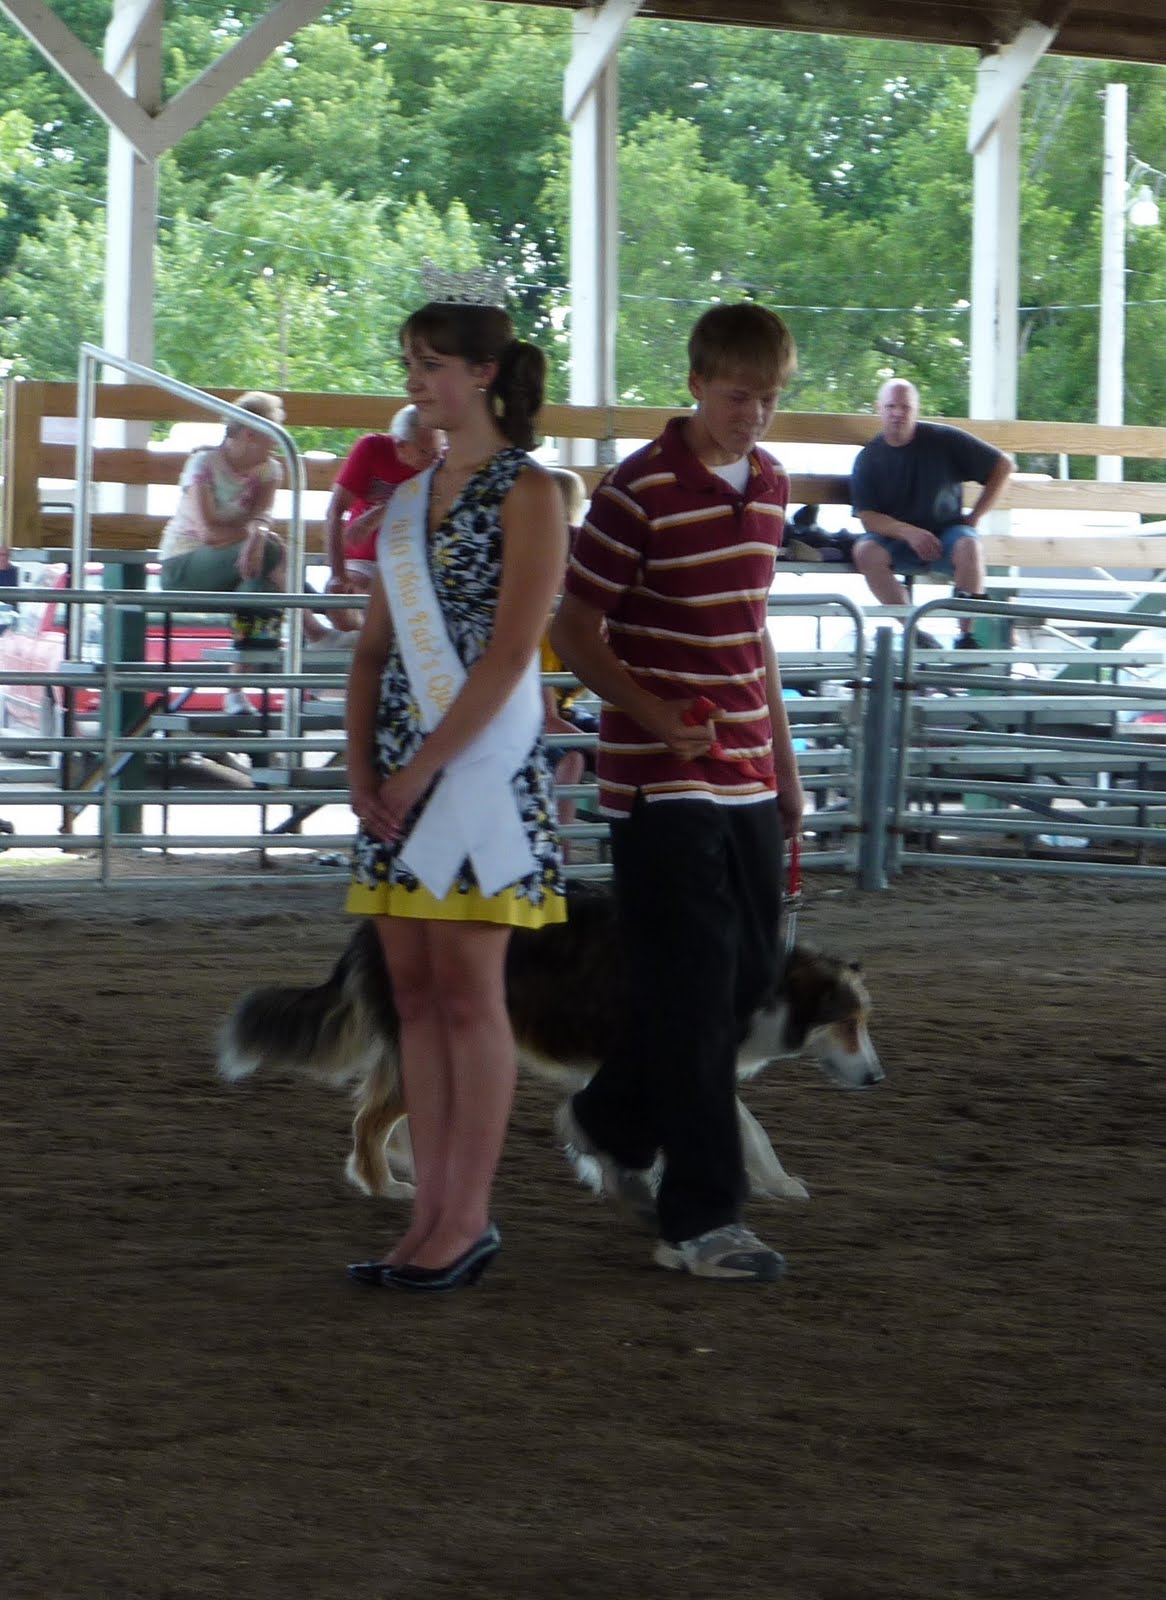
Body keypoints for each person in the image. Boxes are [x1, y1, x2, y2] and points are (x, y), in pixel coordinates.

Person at [549, 302, 804, 1285]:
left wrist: (783, 766)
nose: (753, 416)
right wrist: (653, 715)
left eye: (769, 399)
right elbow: (574, 632)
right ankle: (701, 1217)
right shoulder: (632, 492)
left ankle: (611, 1112)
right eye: (738, 396)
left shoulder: (772, 485)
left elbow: (752, 632)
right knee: (699, 988)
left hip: (742, 764)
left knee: (745, 978)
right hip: (657, 777)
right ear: (696, 382)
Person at [344, 300, 568, 1293]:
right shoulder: (404, 501)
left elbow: (514, 652)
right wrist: (359, 768)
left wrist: (416, 765)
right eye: (409, 364)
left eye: (430, 364)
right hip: (398, 773)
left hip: (474, 768)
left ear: (482, 374)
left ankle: (463, 1216)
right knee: (417, 996)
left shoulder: (533, 492)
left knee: (470, 997)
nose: (414, 381)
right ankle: (426, 1213)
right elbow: (372, 649)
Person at [158, 391, 337, 714]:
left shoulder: (269, 469)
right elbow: (208, 532)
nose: (274, 447)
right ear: (249, 433)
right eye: (270, 438)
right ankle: (314, 630)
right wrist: (257, 535)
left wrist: (259, 534)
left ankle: (236, 691)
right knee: (271, 552)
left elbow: (263, 516)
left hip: (239, 561)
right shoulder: (204, 464)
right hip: (184, 564)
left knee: (261, 585)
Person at [850, 378, 1013, 648]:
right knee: (865, 552)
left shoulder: (944, 439)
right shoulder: (869, 457)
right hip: (896, 539)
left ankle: (966, 636)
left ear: (917, 409)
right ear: (878, 409)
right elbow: (868, 516)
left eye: (906, 407)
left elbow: (1003, 466)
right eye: (891, 406)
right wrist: (909, 533)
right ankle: (914, 630)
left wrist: (975, 517)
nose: (898, 413)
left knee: (970, 544)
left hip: (948, 534)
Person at [324, 403, 445, 628]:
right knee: (338, 601)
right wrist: (339, 575)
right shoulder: (372, 449)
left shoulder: (441, 464)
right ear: (401, 446)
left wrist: (380, 512)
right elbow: (335, 512)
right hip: (364, 562)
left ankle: (375, 636)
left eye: (438, 451)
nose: (434, 459)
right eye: (426, 452)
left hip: (414, 563)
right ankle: (371, 636)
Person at [540, 467, 592, 847]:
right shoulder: (539, 624)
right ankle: (561, 856)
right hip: (534, 714)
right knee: (573, 755)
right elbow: (546, 715)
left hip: (563, 711)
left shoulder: (567, 620)